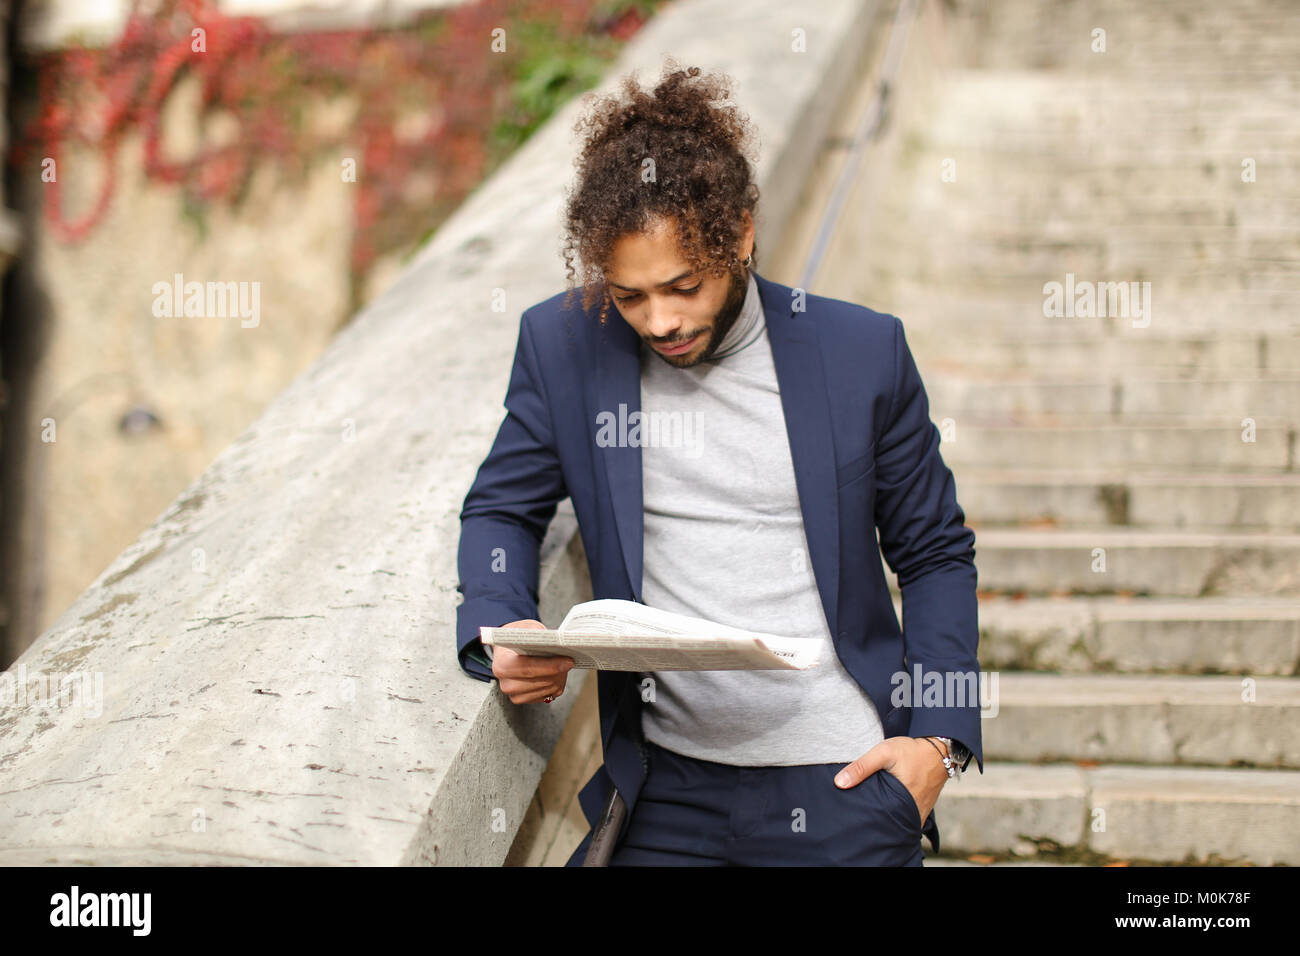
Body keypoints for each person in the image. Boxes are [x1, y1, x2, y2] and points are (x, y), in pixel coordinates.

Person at [455, 59, 981, 866]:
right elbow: (502, 507)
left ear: (739, 234)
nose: (660, 321)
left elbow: (936, 551)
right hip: (663, 788)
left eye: (684, 286)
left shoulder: (860, 352)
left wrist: (939, 743)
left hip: (842, 780)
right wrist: (506, 621)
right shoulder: (566, 346)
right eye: (630, 296)